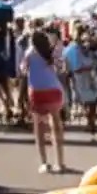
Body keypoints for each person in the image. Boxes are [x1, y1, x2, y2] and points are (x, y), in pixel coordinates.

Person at [22, 31, 67, 173]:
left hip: (36, 91)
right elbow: (62, 68)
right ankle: (60, 162)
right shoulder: (51, 53)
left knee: (39, 128)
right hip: (53, 90)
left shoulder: (29, 53)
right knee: (56, 125)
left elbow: (23, 70)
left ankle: (44, 162)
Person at [66, 28, 97, 138]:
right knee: (89, 101)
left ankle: (91, 122)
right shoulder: (73, 49)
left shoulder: (86, 47)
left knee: (90, 100)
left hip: (87, 75)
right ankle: (91, 122)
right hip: (83, 76)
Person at [0, 19, 18, 123]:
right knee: (6, 89)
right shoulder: (5, 40)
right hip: (3, 67)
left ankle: (4, 107)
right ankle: (7, 108)